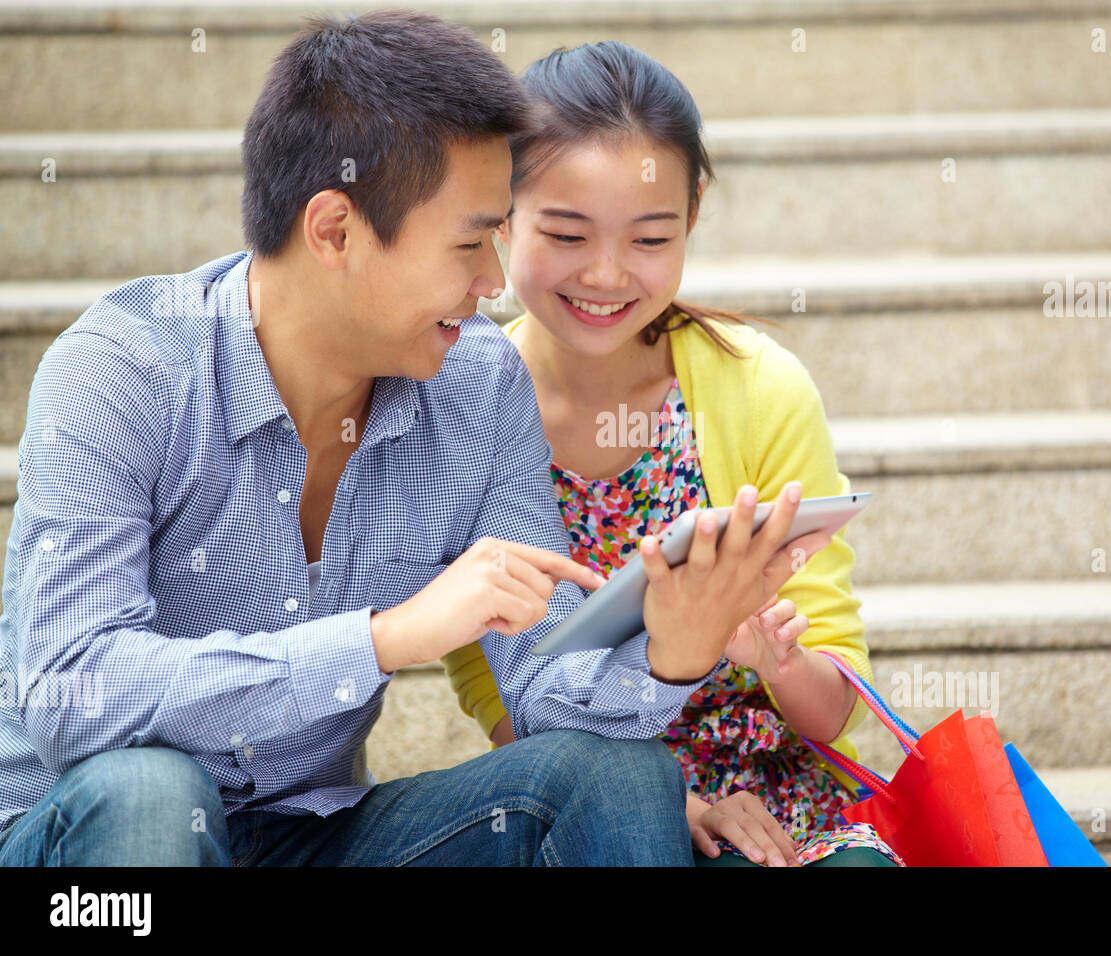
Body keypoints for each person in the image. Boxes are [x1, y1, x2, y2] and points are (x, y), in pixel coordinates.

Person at [0, 12, 822, 867]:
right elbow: (70, 691)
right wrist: (384, 638)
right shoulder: (123, 369)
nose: (494, 283)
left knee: (618, 777)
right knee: (151, 794)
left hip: (310, 836)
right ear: (335, 231)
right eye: (470, 242)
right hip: (83, 839)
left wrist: (676, 651)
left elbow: (540, 690)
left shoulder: (477, 385)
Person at [442, 41, 903, 867]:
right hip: (581, 798)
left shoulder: (759, 390)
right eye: (567, 232)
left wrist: (779, 660)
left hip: (778, 810)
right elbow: (500, 695)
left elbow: (836, 710)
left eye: (650, 239)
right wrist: (673, 801)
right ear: (500, 215)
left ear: (692, 215)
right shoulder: (462, 405)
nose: (607, 273)